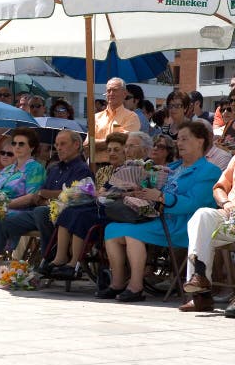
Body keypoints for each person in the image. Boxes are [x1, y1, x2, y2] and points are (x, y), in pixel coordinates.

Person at [101, 121, 221, 302]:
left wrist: (161, 197)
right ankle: (117, 283)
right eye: (178, 139)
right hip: (161, 220)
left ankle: (135, 287)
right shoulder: (172, 167)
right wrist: (139, 190)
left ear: (200, 141)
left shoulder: (209, 171)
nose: (179, 143)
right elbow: (153, 190)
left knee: (133, 234)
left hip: (186, 225)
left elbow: (194, 203)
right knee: (111, 230)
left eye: (185, 139)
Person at [0, 129, 92, 285]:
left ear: (77, 145)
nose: (58, 147)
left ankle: (48, 259)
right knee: (0, 220)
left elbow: (77, 194)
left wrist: (45, 194)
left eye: (63, 144)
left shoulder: (81, 169)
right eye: (57, 144)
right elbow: (40, 195)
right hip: (39, 212)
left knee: (37, 212)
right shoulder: (54, 168)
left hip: (58, 214)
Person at [47, 132, 128, 280]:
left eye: (116, 150)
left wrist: (101, 194)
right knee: (68, 211)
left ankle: (74, 264)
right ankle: (59, 258)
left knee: (81, 216)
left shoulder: (130, 170)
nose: (111, 153)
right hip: (99, 204)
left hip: (115, 209)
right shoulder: (105, 170)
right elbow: (97, 191)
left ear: (125, 150)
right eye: (109, 150)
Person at [182, 155, 235, 316]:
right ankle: (201, 288)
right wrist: (226, 202)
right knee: (202, 215)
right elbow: (219, 187)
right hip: (230, 214)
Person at [87, 78, 140, 164]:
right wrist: (113, 142)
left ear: (124, 94)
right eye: (108, 91)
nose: (111, 93)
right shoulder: (96, 117)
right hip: (94, 166)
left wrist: (97, 144)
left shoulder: (131, 117)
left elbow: (125, 142)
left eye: (115, 90)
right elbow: (88, 144)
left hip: (118, 168)